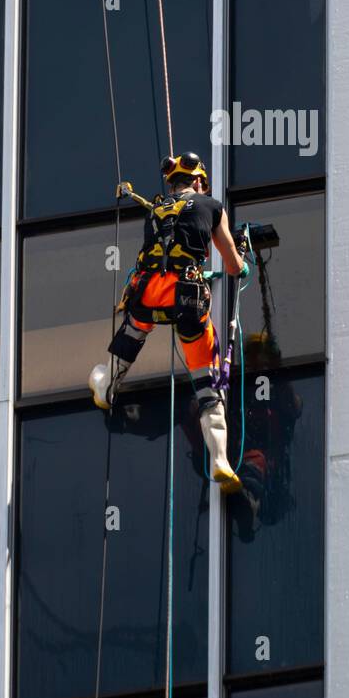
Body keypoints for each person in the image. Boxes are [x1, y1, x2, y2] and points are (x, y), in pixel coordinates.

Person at [88, 152, 247, 493]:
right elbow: (232, 263)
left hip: (148, 290)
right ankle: (219, 459)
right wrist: (242, 266)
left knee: (133, 332)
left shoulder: (156, 210)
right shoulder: (212, 206)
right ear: (200, 181)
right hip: (187, 293)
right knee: (207, 381)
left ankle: (106, 385)